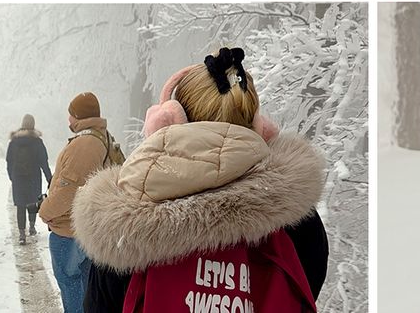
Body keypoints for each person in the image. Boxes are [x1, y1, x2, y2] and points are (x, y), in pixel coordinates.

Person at [76, 48, 329, 313]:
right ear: (259, 127)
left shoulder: (123, 229)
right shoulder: (296, 218)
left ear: (167, 122)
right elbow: (306, 290)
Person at [39, 92, 119, 313]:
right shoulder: (101, 137)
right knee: (83, 283)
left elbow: (69, 190)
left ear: (78, 115)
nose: (68, 120)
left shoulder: (85, 144)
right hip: (86, 228)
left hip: (69, 229)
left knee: (69, 281)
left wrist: (45, 211)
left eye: (71, 114)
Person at [6, 114, 52, 245]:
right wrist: (50, 179)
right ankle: (31, 227)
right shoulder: (37, 141)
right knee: (32, 204)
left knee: (20, 206)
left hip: (18, 178)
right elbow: (44, 162)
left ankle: (22, 234)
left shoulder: (14, 141)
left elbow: (9, 161)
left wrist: (12, 177)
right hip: (33, 178)